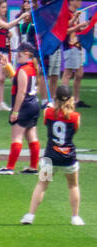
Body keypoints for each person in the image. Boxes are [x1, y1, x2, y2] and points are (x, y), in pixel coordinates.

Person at [20, 85, 84, 226]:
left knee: (42, 185)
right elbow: (75, 130)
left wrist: (50, 106)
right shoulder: (75, 117)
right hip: (68, 157)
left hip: (50, 157)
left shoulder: (48, 113)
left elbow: (47, 119)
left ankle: (30, 215)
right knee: (73, 186)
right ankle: (75, 217)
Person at [0, 41, 43, 175]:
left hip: (25, 106)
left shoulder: (23, 70)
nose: (18, 56)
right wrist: (6, 65)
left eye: (20, 53)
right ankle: (33, 166)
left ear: (27, 53)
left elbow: (21, 92)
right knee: (32, 136)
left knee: (16, 137)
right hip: (34, 104)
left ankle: (10, 167)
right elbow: (15, 78)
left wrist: (15, 111)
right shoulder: (33, 68)